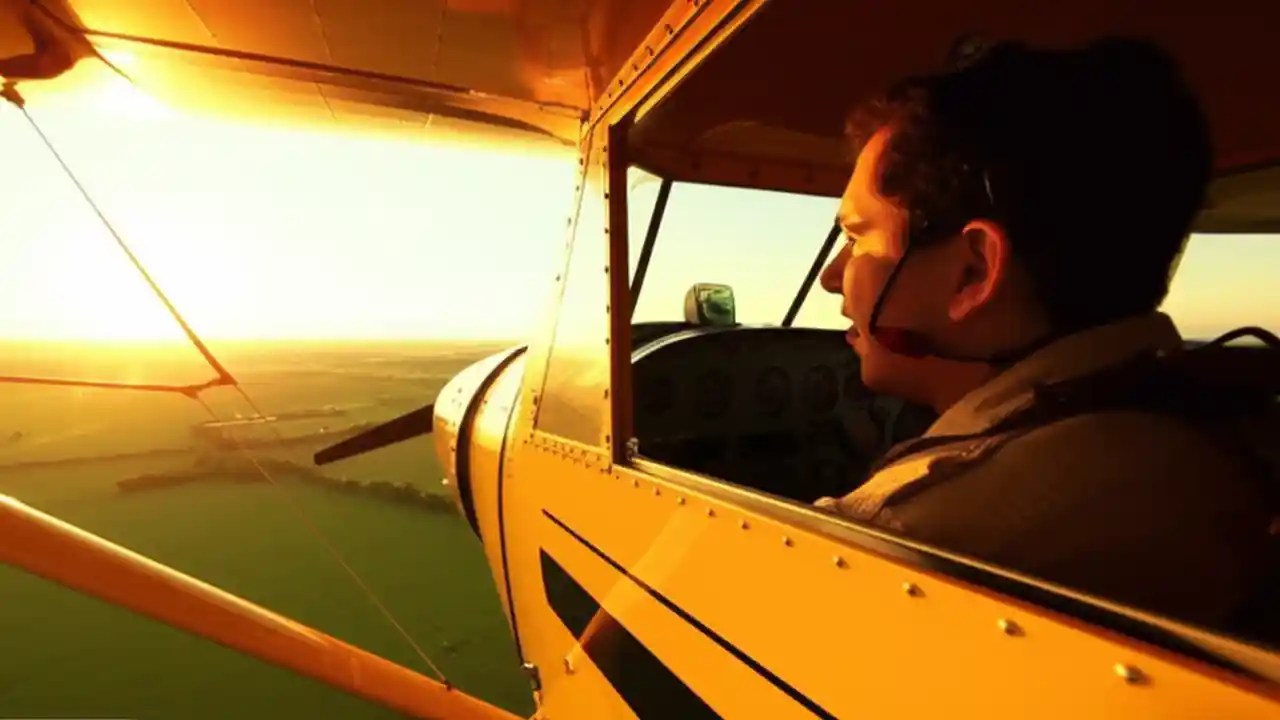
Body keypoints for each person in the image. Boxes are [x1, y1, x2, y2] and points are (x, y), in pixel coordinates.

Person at [813, 37, 1276, 629]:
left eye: (857, 238)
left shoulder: (900, 536)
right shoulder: (1229, 432)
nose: (831, 277)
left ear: (972, 273)